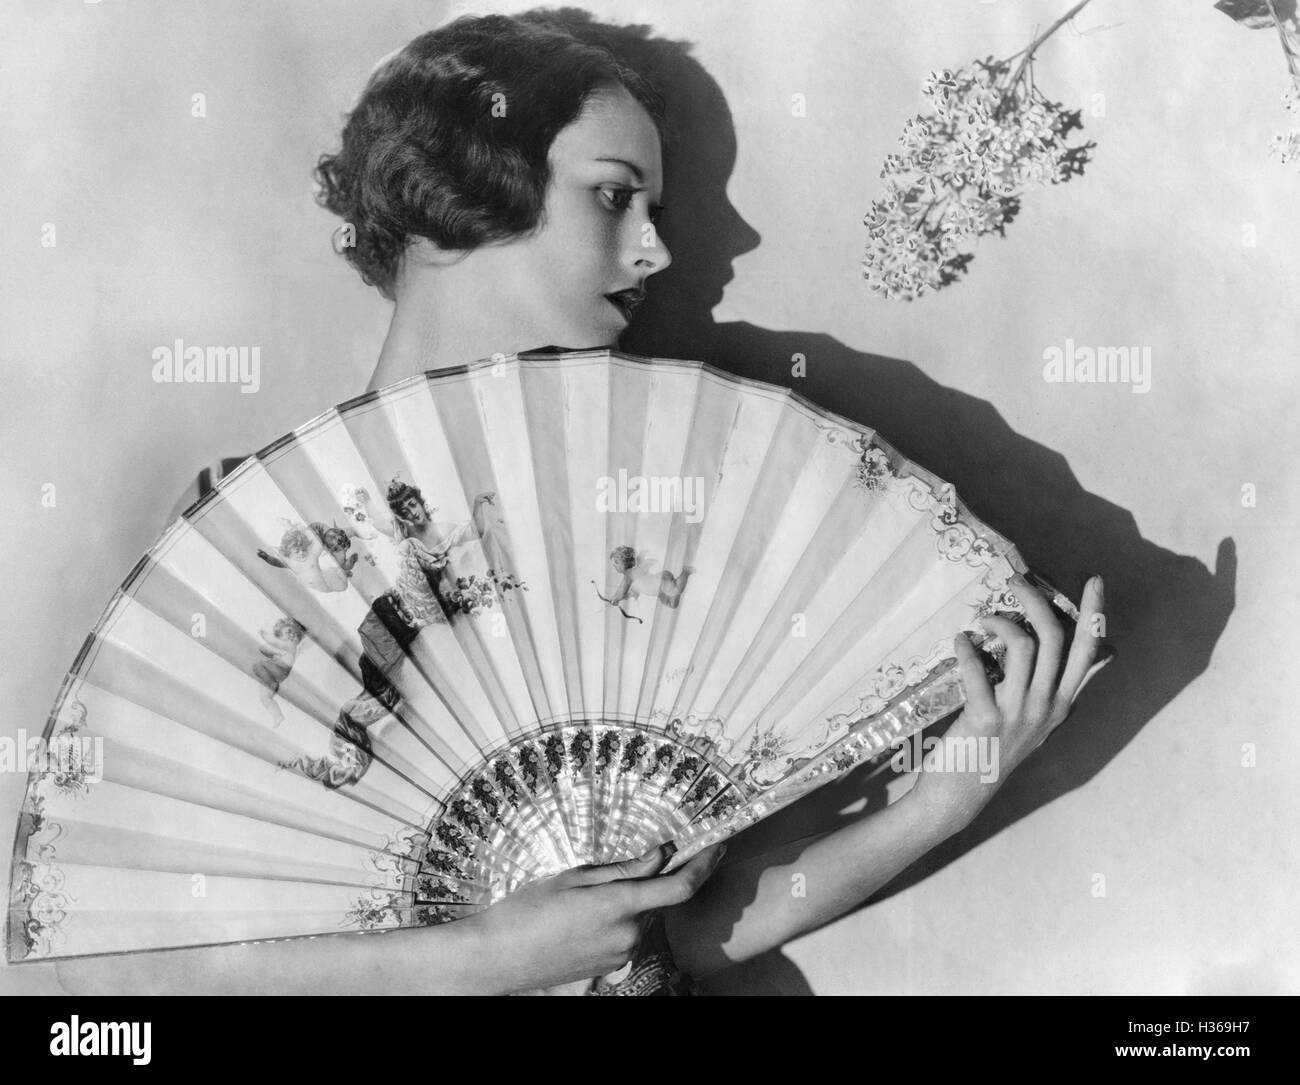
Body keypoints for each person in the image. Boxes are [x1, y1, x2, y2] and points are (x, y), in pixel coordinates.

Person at [68, 10, 1107, 997]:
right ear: (459, 194)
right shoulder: (253, 531)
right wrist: (476, 958)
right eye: (614, 196)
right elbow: (122, 966)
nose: (659, 249)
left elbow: (673, 940)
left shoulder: (637, 505)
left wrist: (944, 795)